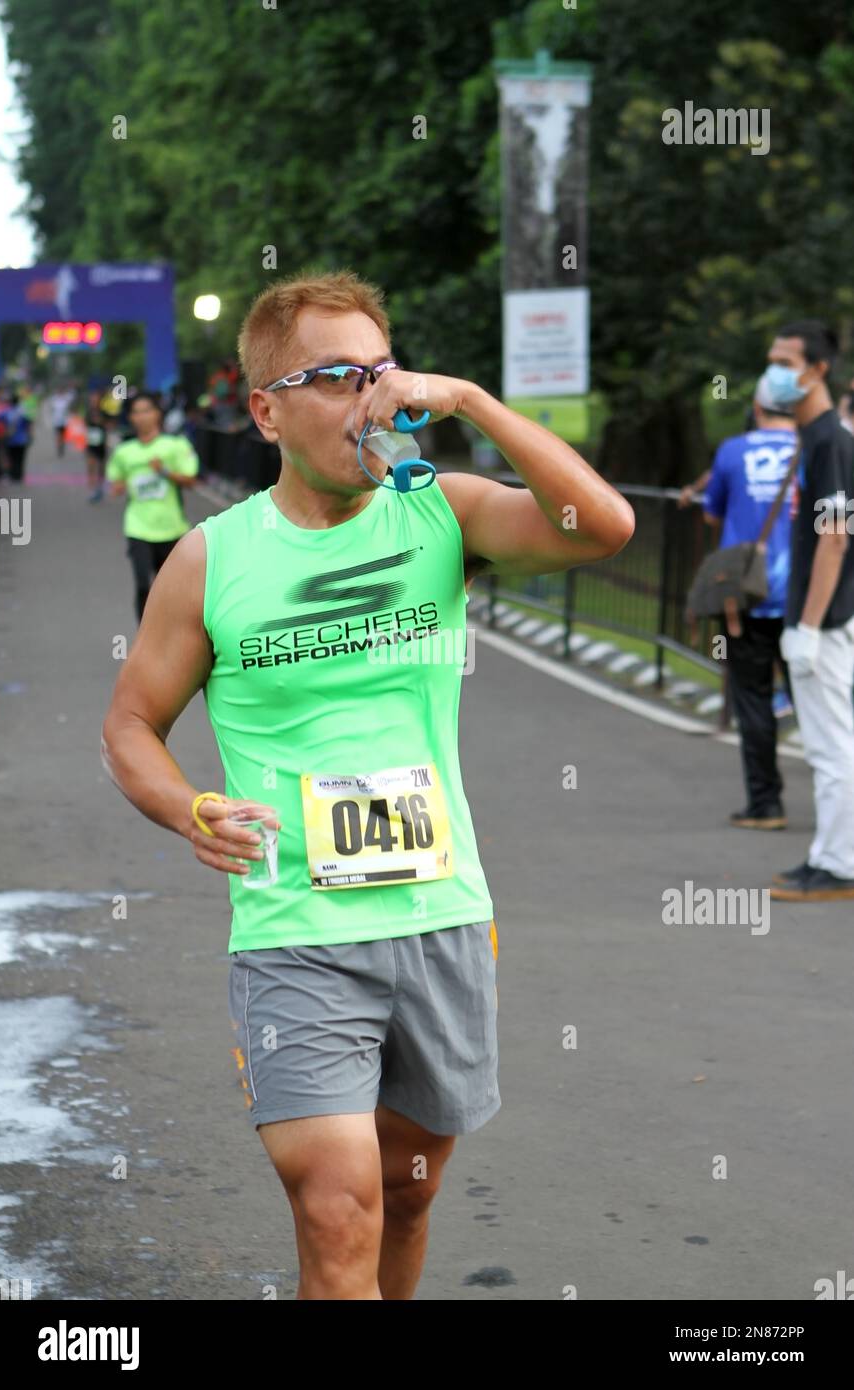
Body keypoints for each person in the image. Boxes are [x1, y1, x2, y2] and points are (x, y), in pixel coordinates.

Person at [100, 269, 634, 1300]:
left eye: (383, 372)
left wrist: (470, 402)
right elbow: (130, 722)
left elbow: (600, 527)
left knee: (407, 1188)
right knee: (338, 1202)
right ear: (265, 409)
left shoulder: (436, 516)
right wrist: (188, 804)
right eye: (341, 376)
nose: (374, 398)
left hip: (442, 914)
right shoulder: (212, 561)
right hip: (293, 926)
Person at [763, 321, 854, 902]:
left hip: (825, 622)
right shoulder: (817, 437)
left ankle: (839, 865)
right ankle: (829, 854)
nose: (772, 370)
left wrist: (810, 627)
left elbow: (835, 535)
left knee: (831, 746)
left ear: (817, 370)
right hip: (826, 619)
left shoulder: (829, 442)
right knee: (830, 743)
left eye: (784, 360)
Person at [702, 373, 797, 829]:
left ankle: (766, 805)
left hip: (747, 598)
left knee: (754, 700)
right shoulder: (818, 450)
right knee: (825, 706)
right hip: (807, 600)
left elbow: (711, 511)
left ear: (757, 407)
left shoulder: (733, 451)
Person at [105, 391, 200, 622]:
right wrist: (117, 488)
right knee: (143, 584)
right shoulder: (124, 452)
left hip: (172, 527)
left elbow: (190, 481)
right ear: (131, 418)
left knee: (173, 589)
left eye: (147, 410)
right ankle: (144, 638)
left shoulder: (175, 446)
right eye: (136, 412)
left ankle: (175, 637)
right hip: (138, 527)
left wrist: (164, 471)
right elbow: (116, 482)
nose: (142, 416)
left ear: (158, 414)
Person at [0, 392, 32, 482]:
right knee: (20, 459)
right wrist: (29, 435)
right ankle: (19, 476)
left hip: (10, 440)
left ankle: (13, 476)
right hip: (22, 440)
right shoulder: (22, 412)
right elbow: (28, 424)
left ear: (10, 402)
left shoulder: (6, 412)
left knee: (12, 458)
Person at [84, 389, 111, 502]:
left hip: (101, 442)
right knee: (91, 464)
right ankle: (92, 486)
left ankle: (99, 487)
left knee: (101, 467)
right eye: (92, 399)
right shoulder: (89, 412)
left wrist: (101, 422)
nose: (93, 400)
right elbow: (85, 424)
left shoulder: (104, 411)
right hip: (91, 442)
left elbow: (109, 424)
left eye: (96, 399)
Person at [49, 386, 75, 457]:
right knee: (58, 435)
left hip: (64, 421)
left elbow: (72, 398)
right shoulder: (54, 399)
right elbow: (51, 408)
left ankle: (61, 446)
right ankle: (59, 448)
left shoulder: (65, 399)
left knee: (63, 436)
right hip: (57, 421)